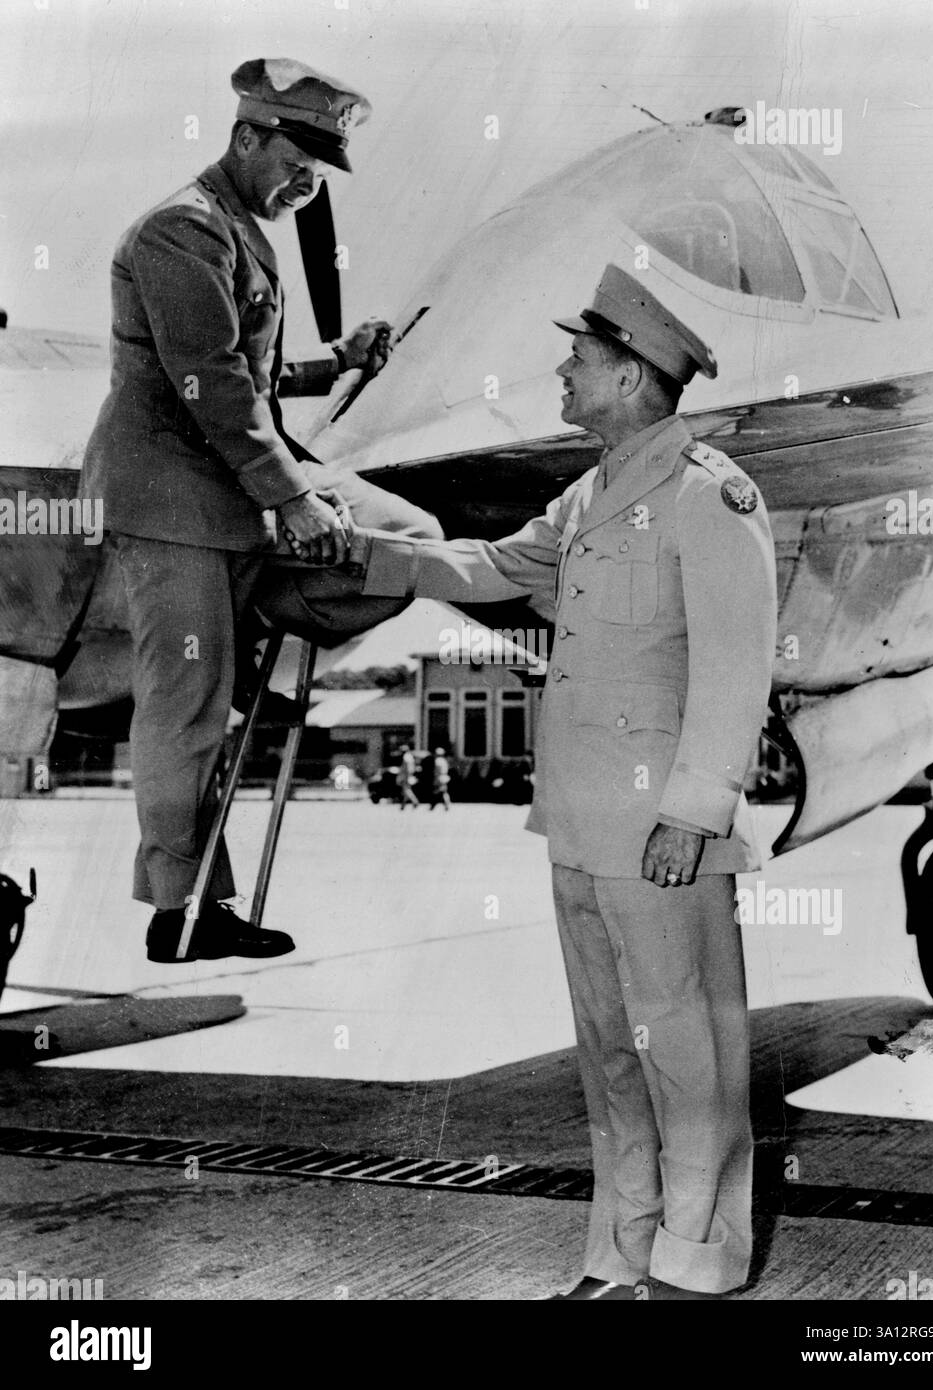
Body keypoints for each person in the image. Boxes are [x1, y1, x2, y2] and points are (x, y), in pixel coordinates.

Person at [338, 265, 777, 1300]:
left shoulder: (710, 496)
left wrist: (693, 808)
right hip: (580, 824)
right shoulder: (591, 494)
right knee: (609, 1054)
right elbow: (493, 567)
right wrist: (358, 549)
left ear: (627, 378)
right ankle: (617, 1254)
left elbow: (734, 660)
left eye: (576, 361)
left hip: (659, 830)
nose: (559, 374)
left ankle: (695, 1261)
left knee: (687, 1049)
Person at [80, 58, 440, 964]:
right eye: (297, 158)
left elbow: (252, 372)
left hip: (230, 506)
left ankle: (194, 898)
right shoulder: (180, 233)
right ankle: (180, 913)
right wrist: (295, 498)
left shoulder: (237, 231)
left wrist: (341, 363)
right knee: (186, 707)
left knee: (409, 540)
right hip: (174, 509)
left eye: (322, 168)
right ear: (246, 136)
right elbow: (213, 388)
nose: (309, 181)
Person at [395, 745, 420, 810]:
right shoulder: (410, 756)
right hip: (409, 775)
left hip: (406, 775)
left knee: (406, 790)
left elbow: (407, 768)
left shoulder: (406, 757)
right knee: (406, 790)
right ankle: (403, 805)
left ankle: (414, 801)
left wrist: (407, 776)